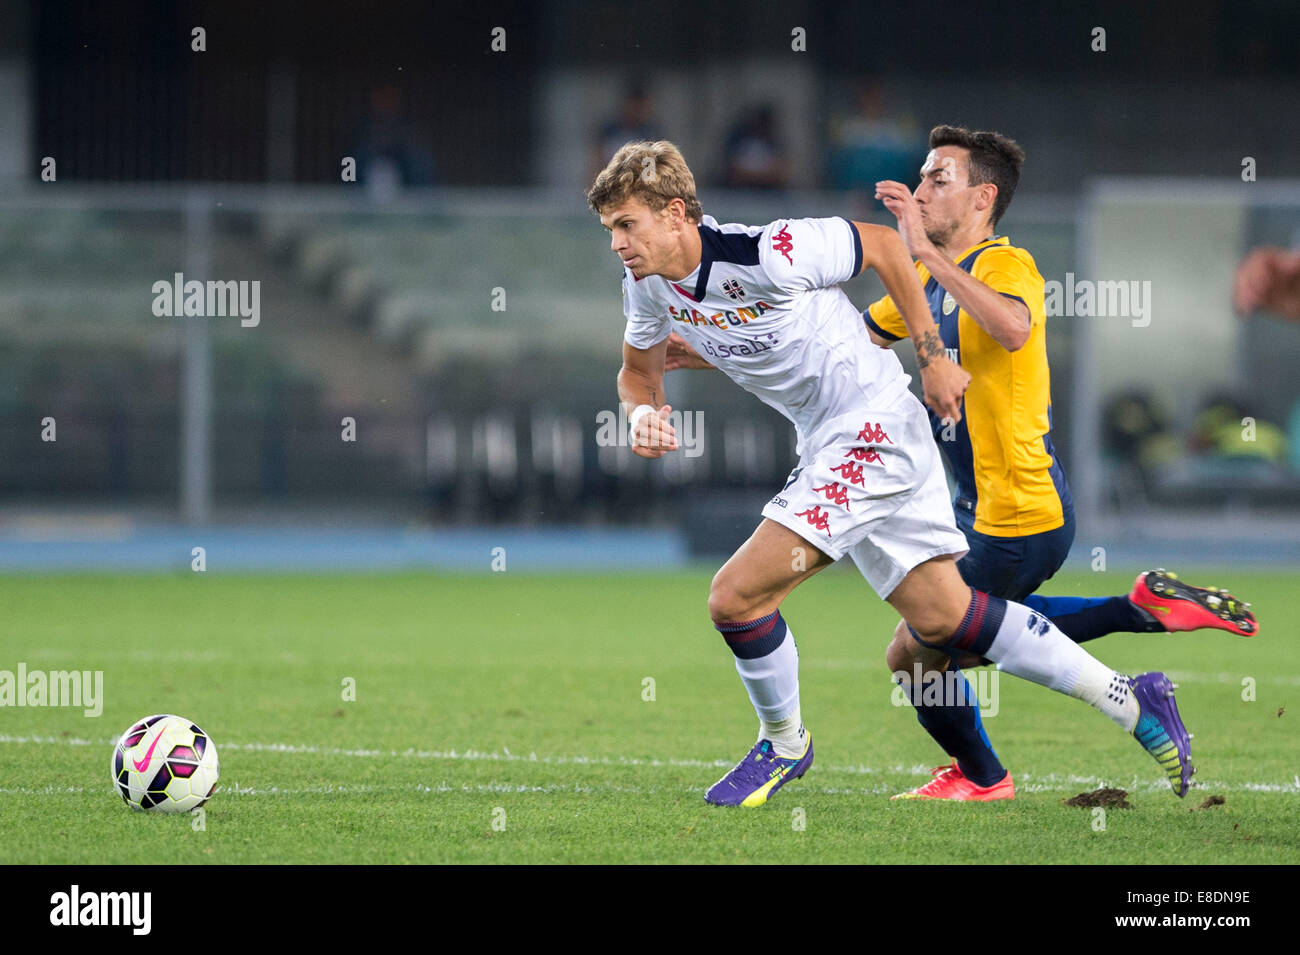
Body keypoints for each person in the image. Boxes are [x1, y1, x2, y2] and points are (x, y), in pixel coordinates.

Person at [587, 139, 1195, 808]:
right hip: (839, 437)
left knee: (736, 596)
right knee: (946, 620)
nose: (617, 242)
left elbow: (881, 245)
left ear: (676, 212)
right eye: (611, 227)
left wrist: (933, 355)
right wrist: (641, 411)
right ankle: (1129, 699)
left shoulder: (772, 250)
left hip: (869, 429)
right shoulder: (644, 284)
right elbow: (639, 371)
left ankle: (784, 742)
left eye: (627, 224)